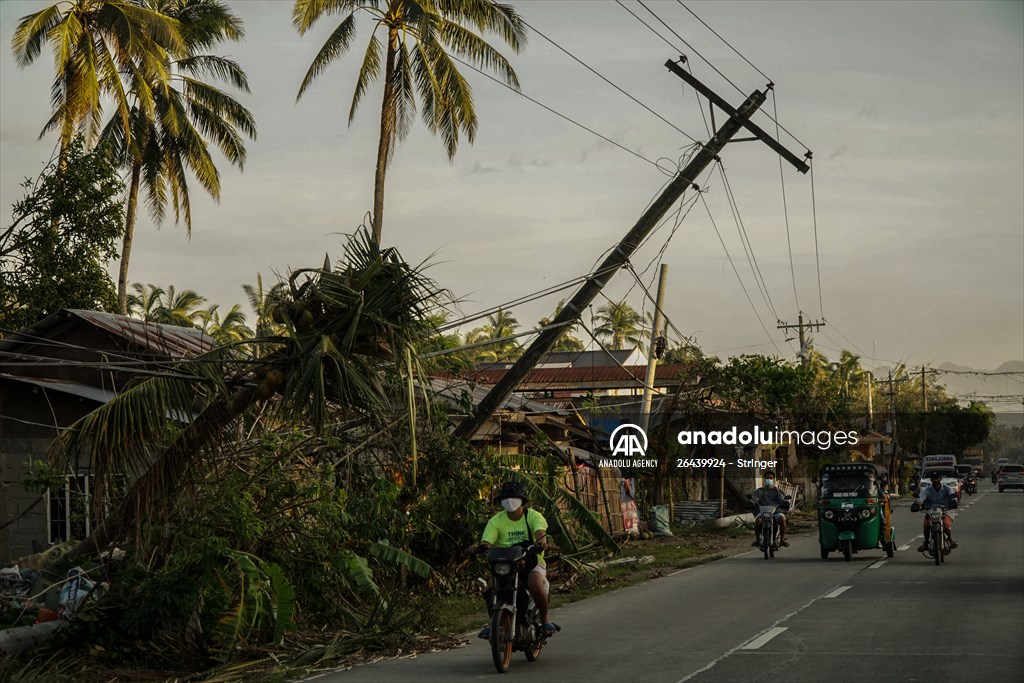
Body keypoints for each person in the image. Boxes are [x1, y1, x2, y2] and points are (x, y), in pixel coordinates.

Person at [468, 481, 558, 639]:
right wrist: (481, 547)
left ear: (522, 500)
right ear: (501, 501)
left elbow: (539, 532)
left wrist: (541, 543)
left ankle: (544, 619)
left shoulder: (533, 516)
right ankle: (493, 623)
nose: (510, 501)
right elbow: (487, 541)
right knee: (490, 587)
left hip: (531, 561)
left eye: (514, 498)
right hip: (506, 563)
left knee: (536, 583)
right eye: (506, 498)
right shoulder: (496, 520)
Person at [912, 470, 958, 552]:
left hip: (945, 510)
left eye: (937, 478)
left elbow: (953, 497)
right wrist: (916, 504)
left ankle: (950, 539)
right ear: (931, 480)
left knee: (945, 524)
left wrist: (954, 502)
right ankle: (926, 543)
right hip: (931, 511)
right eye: (933, 479)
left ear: (940, 479)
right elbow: (920, 499)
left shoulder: (948, 489)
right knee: (926, 525)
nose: (935, 480)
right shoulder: (927, 490)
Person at [750, 470, 789, 547]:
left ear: (773, 479)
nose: (769, 479)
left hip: (776, 512)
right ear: (765, 479)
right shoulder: (759, 491)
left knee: (782, 519)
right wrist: (753, 502)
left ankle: (782, 540)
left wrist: (784, 502)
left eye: (770, 478)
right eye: (767, 478)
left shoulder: (778, 491)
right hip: (763, 512)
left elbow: (782, 499)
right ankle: (757, 540)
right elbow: (755, 499)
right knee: (758, 521)